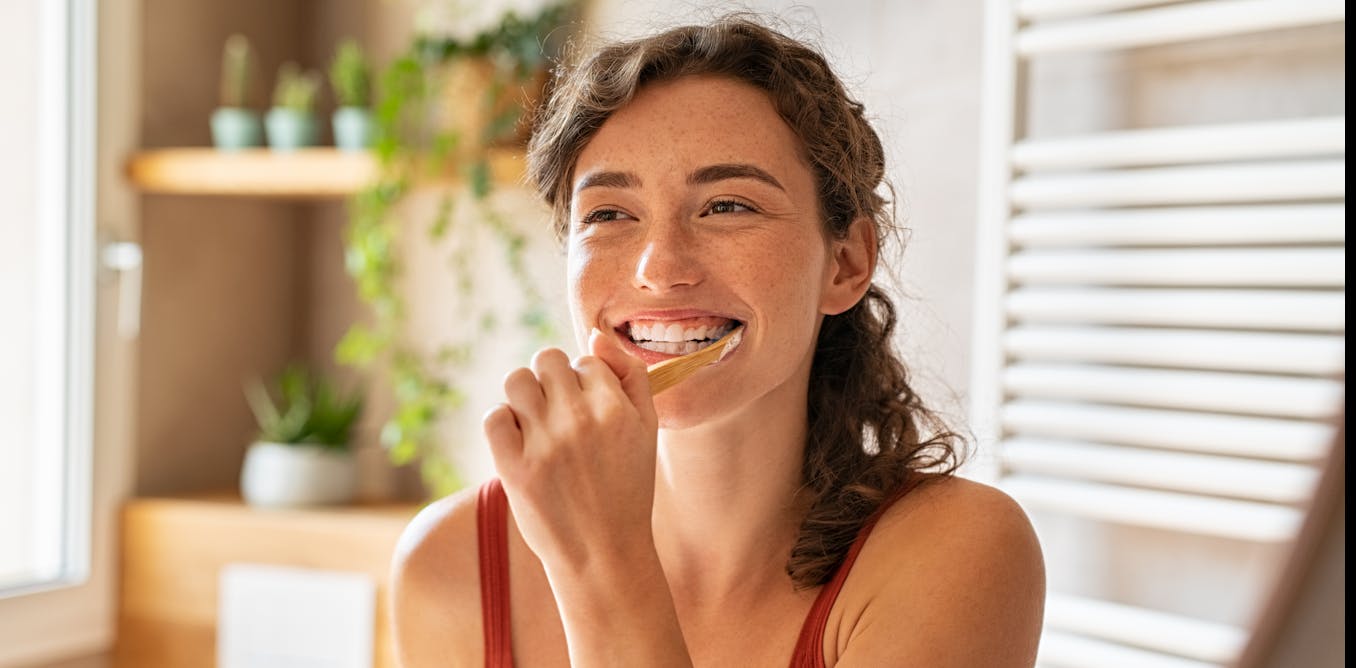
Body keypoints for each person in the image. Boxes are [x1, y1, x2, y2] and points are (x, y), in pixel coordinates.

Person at [391, 15, 1045, 667]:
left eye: (728, 206)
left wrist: (601, 559)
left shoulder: (959, 553)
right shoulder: (452, 565)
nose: (659, 267)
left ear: (845, 263)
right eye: (610, 214)